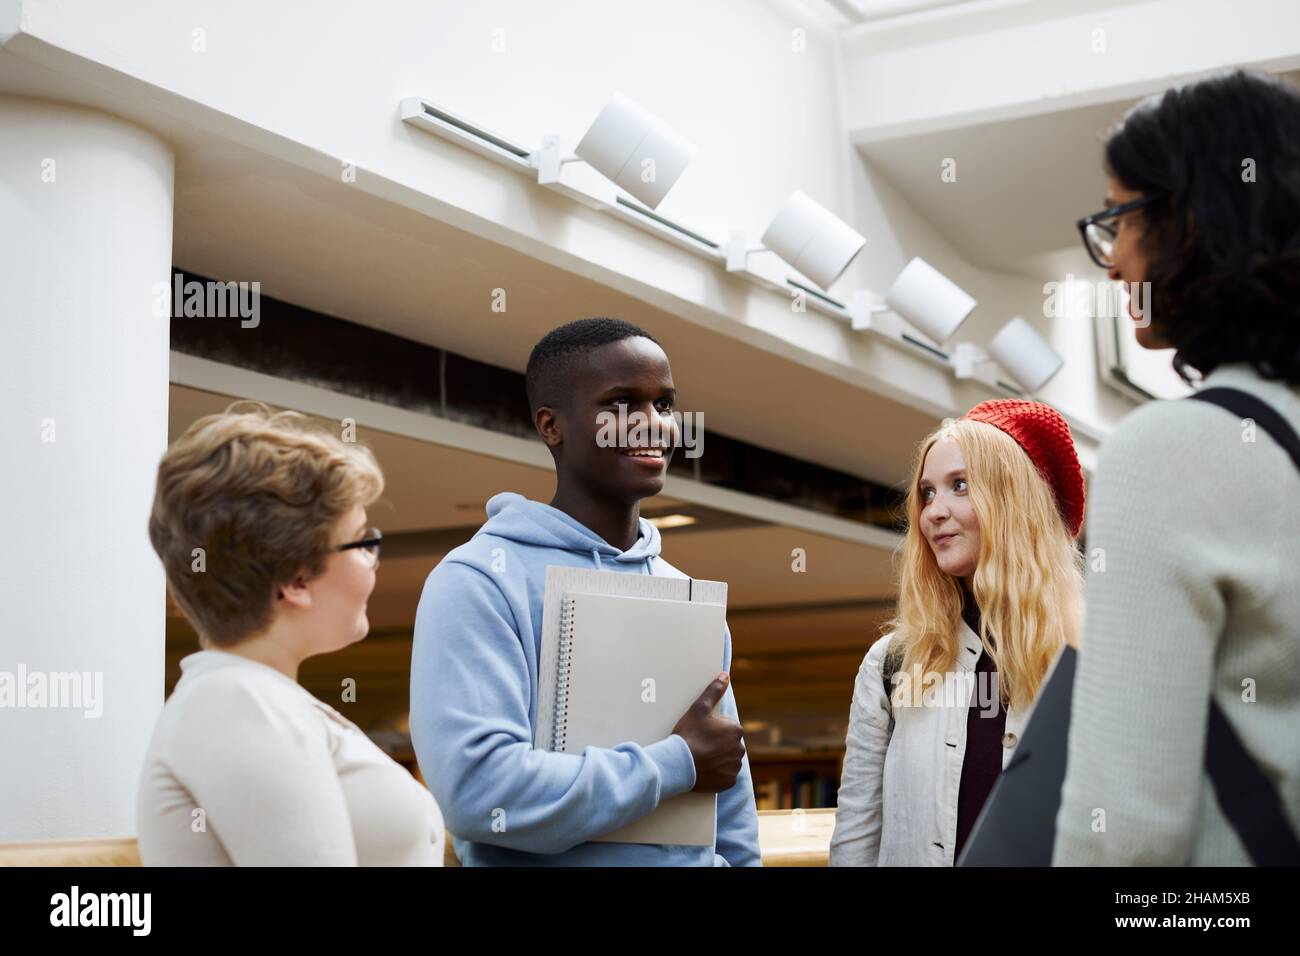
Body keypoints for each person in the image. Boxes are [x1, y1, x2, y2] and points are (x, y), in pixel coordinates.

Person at [1055, 70, 1300, 865]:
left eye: (1121, 218)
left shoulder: (1173, 450)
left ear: (1194, 219)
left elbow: (1123, 832)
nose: (1113, 257)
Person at [410, 317, 760, 866]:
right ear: (552, 426)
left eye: (664, 405)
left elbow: (729, 802)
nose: (653, 425)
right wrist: (676, 764)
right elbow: (481, 793)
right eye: (622, 404)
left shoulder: (684, 593)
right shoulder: (479, 581)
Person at [136, 404, 444, 866]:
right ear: (296, 580)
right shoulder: (235, 702)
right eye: (362, 542)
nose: (373, 560)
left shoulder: (249, 697)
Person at [830, 400, 1086, 865]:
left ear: (1014, 501)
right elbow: (856, 837)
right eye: (927, 493)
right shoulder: (892, 663)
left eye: (960, 486)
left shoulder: (1090, 662)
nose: (933, 512)